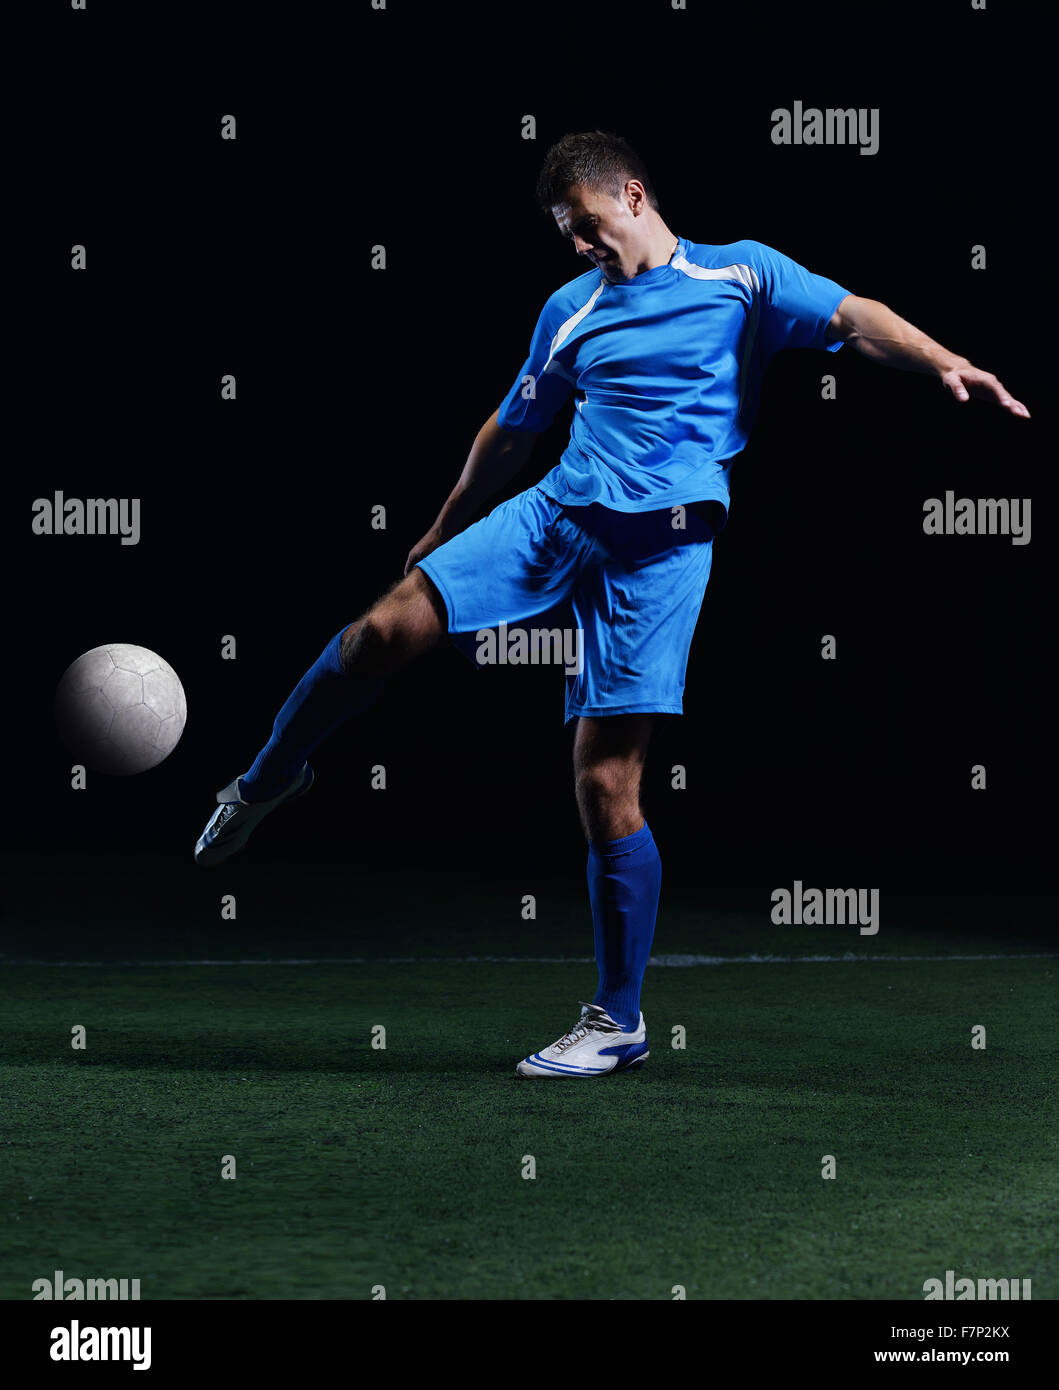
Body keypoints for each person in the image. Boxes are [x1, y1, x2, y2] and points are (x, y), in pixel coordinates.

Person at [194, 130, 1029, 1078]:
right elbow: (510, 432)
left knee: (604, 785)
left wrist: (943, 359)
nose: (581, 246)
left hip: (662, 552)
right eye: (567, 235)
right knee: (378, 630)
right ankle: (265, 780)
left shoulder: (739, 276)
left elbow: (857, 318)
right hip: (555, 513)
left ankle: (616, 1021)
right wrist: (438, 529)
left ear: (632, 196)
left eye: (586, 225)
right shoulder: (569, 306)